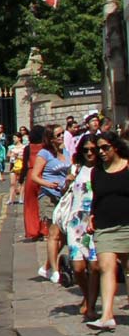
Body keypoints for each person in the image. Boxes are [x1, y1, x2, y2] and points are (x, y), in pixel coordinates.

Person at [84, 134, 129, 332]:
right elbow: (97, 197)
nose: (101, 152)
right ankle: (107, 316)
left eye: (105, 148)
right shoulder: (97, 171)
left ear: (116, 147)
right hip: (104, 226)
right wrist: (91, 216)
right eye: (98, 149)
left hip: (127, 225)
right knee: (105, 267)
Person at [60, 135, 102, 320]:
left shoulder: (102, 169)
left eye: (93, 150)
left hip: (95, 221)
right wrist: (67, 183)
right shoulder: (76, 169)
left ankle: (91, 305)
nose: (90, 153)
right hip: (76, 222)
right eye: (86, 150)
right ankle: (86, 296)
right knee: (77, 267)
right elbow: (65, 193)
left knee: (94, 266)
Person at [29, 127, 71, 282]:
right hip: (48, 197)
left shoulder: (66, 152)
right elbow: (34, 176)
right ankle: (55, 271)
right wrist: (48, 184)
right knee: (54, 234)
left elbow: (69, 171)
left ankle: (46, 267)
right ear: (51, 138)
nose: (62, 136)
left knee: (64, 236)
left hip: (64, 197)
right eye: (58, 135)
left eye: (62, 133)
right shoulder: (44, 153)